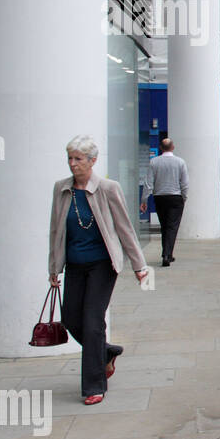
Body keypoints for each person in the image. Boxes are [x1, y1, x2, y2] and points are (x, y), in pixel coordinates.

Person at [49, 135, 149, 405]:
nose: (73, 164)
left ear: (92, 161)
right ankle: (106, 353)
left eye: (78, 159)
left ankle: (94, 385)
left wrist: (139, 265)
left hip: (103, 264)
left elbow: (124, 228)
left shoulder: (108, 188)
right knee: (70, 319)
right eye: (70, 158)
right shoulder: (61, 189)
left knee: (93, 323)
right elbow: (56, 231)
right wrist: (54, 268)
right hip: (75, 264)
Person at [140, 137, 188, 267]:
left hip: (160, 197)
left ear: (161, 148)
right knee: (172, 227)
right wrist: (184, 197)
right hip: (175, 197)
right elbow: (184, 183)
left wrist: (144, 199)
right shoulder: (180, 162)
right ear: (173, 147)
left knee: (164, 225)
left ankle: (167, 253)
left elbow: (148, 183)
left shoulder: (154, 162)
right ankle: (167, 254)